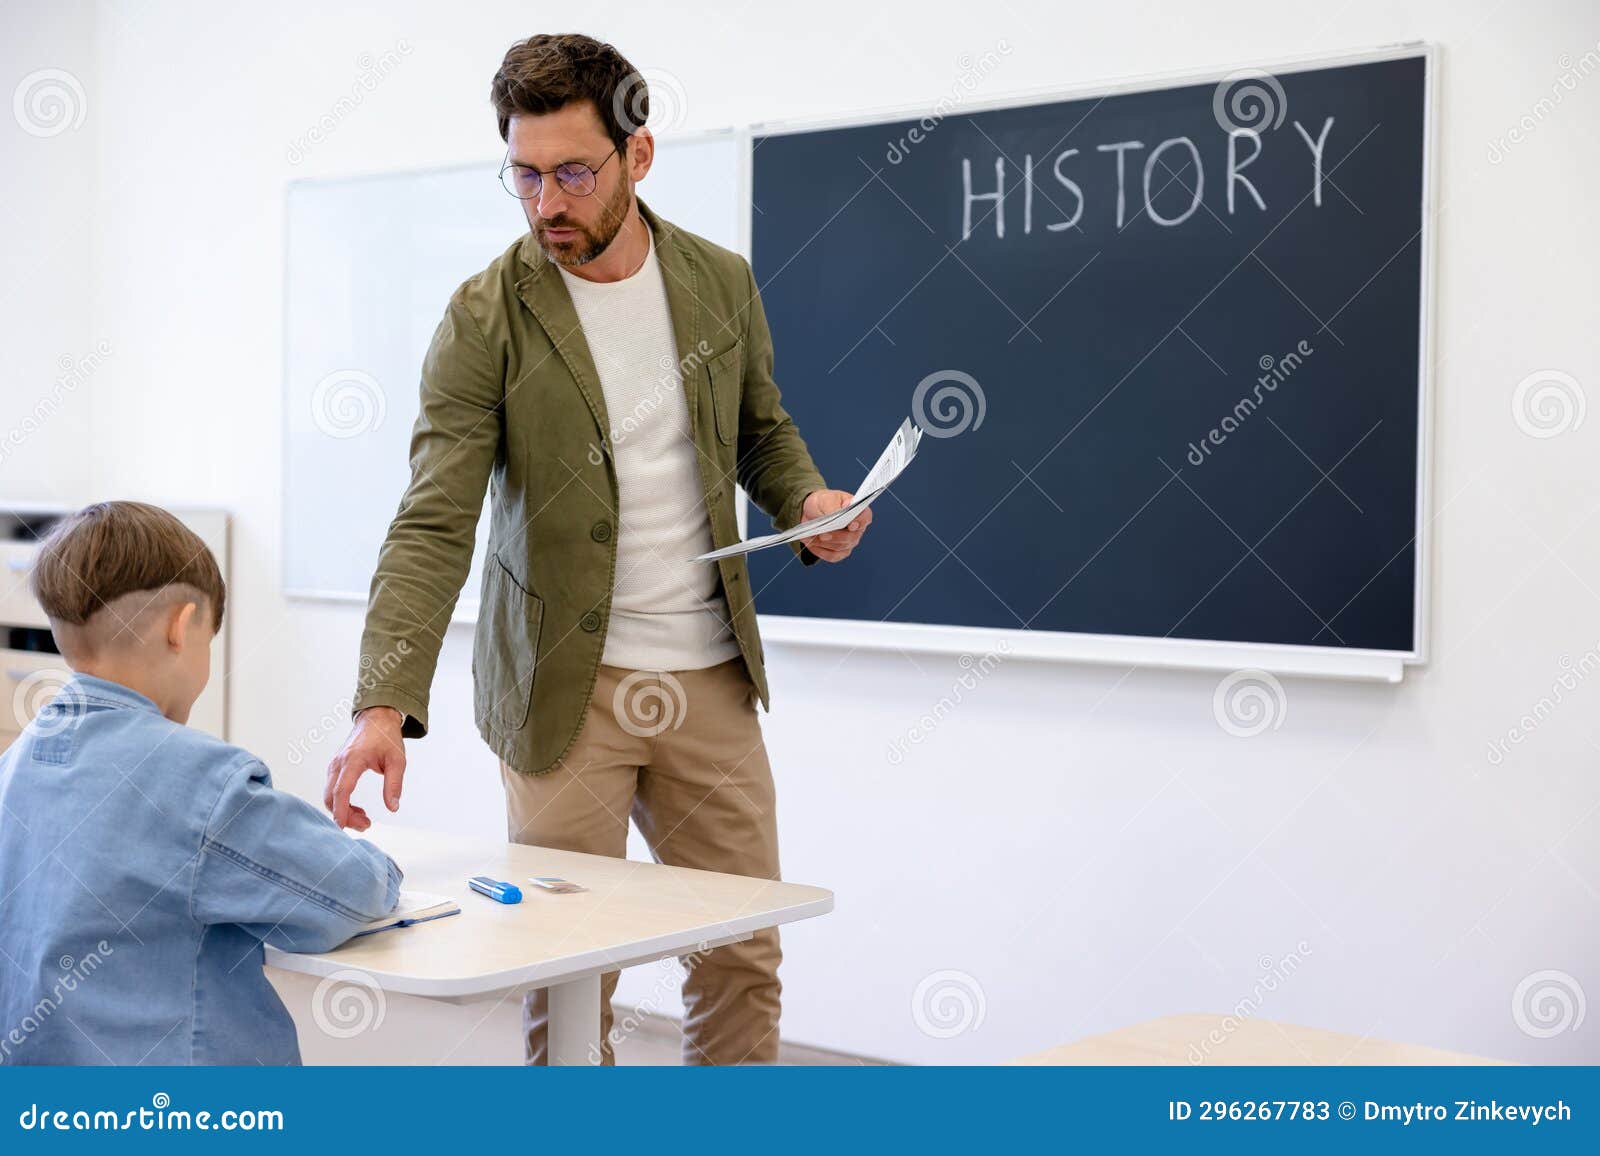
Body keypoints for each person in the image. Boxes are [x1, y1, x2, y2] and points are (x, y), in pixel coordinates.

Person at [325, 32, 872, 1065]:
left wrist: (806, 495)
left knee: (741, 954)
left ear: (639, 156)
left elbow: (761, 429)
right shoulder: (485, 315)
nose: (547, 204)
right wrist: (379, 703)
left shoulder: (717, 282)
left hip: (708, 678)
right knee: (569, 975)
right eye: (524, 175)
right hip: (562, 693)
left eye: (573, 172)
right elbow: (434, 515)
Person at [0, 501, 401, 1065]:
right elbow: (351, 894)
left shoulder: (14, 765)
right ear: (180, 626)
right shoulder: (203, 783)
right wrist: (378, 862)